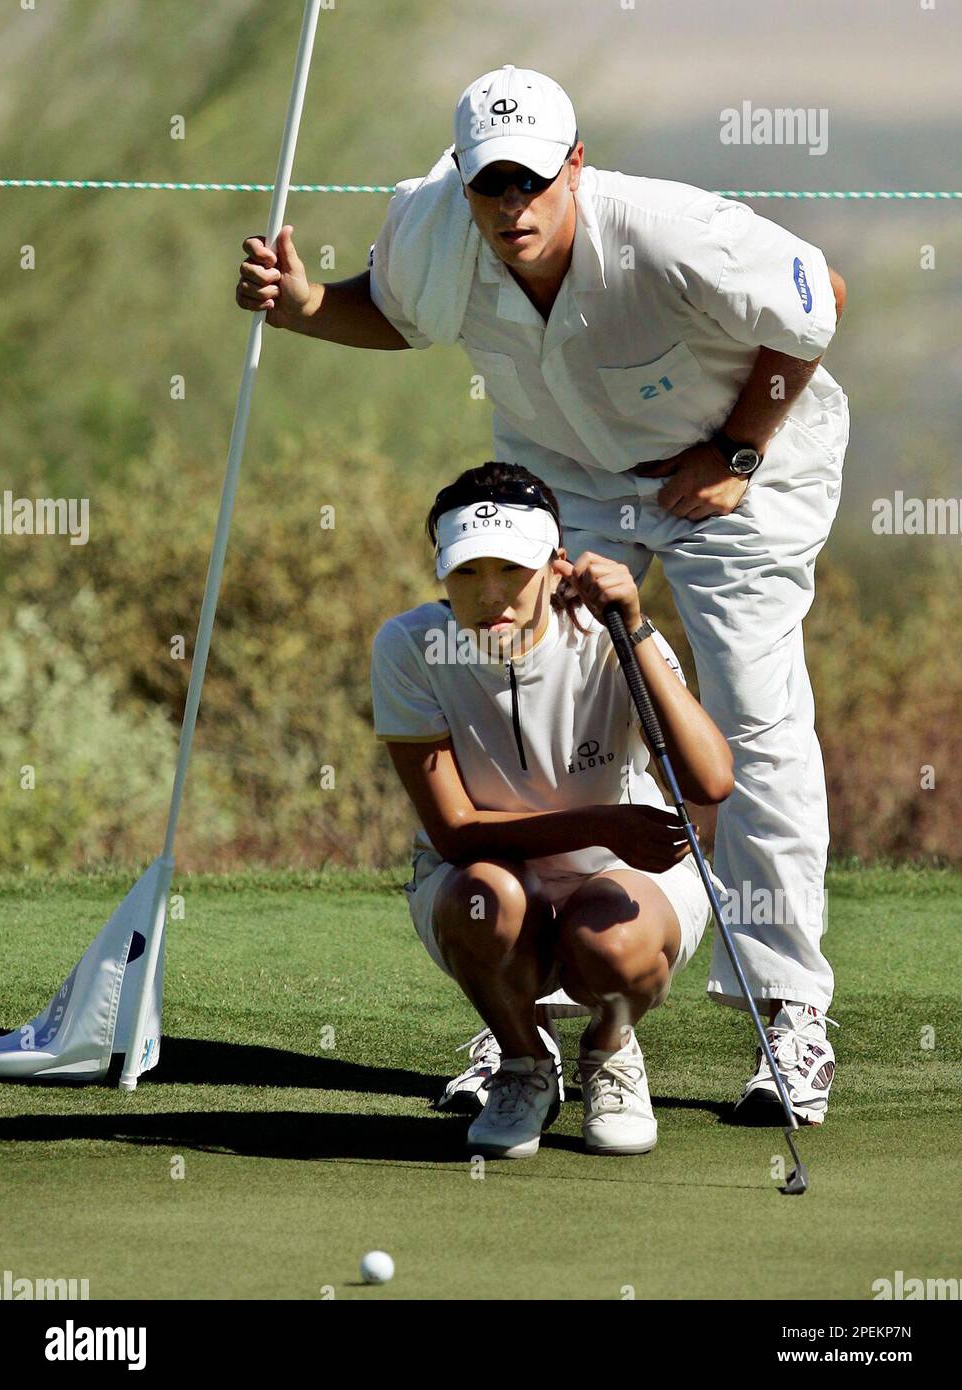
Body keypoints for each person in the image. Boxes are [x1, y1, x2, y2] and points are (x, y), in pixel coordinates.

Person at [236, 64, 848, 1125]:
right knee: (518, 694)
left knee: (751, 714)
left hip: (737, 476)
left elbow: (817, 305)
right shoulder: (435, 222)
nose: (509, 207)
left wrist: (739, 449)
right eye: (489, 184)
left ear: (574, 164)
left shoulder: (667, 230)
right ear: (464, 182)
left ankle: (789, 1013)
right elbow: (393, 312)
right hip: (569, 479)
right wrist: (302, 307)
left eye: (529, 180)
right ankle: (521, 1003)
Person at [369, 460, 734, 1158]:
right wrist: (600, 824)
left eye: (512, 570)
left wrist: (632, 624)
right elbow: (454, 833)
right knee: (485, 895)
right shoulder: (410, 646)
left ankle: (609, 1047)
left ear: (555, 565)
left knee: (610, 943)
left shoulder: (603, 633)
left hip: (624, 879)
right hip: (487, 874)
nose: (490, 595)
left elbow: (709, 779)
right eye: (466, 573)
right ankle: (523, 1062)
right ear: (441, 573)